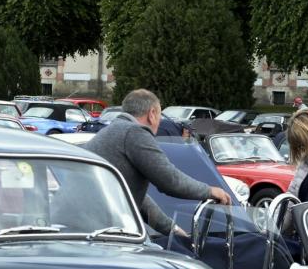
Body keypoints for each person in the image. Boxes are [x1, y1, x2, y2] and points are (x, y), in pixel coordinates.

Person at [85, 89, 230, 236]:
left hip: (88, 227)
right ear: (152, 113)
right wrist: (210, 191)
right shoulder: (135, 132)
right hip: (103, 232)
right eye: (160, 115)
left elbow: (136, 198)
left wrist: (173, 230)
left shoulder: (113, 130)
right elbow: (170, 180)